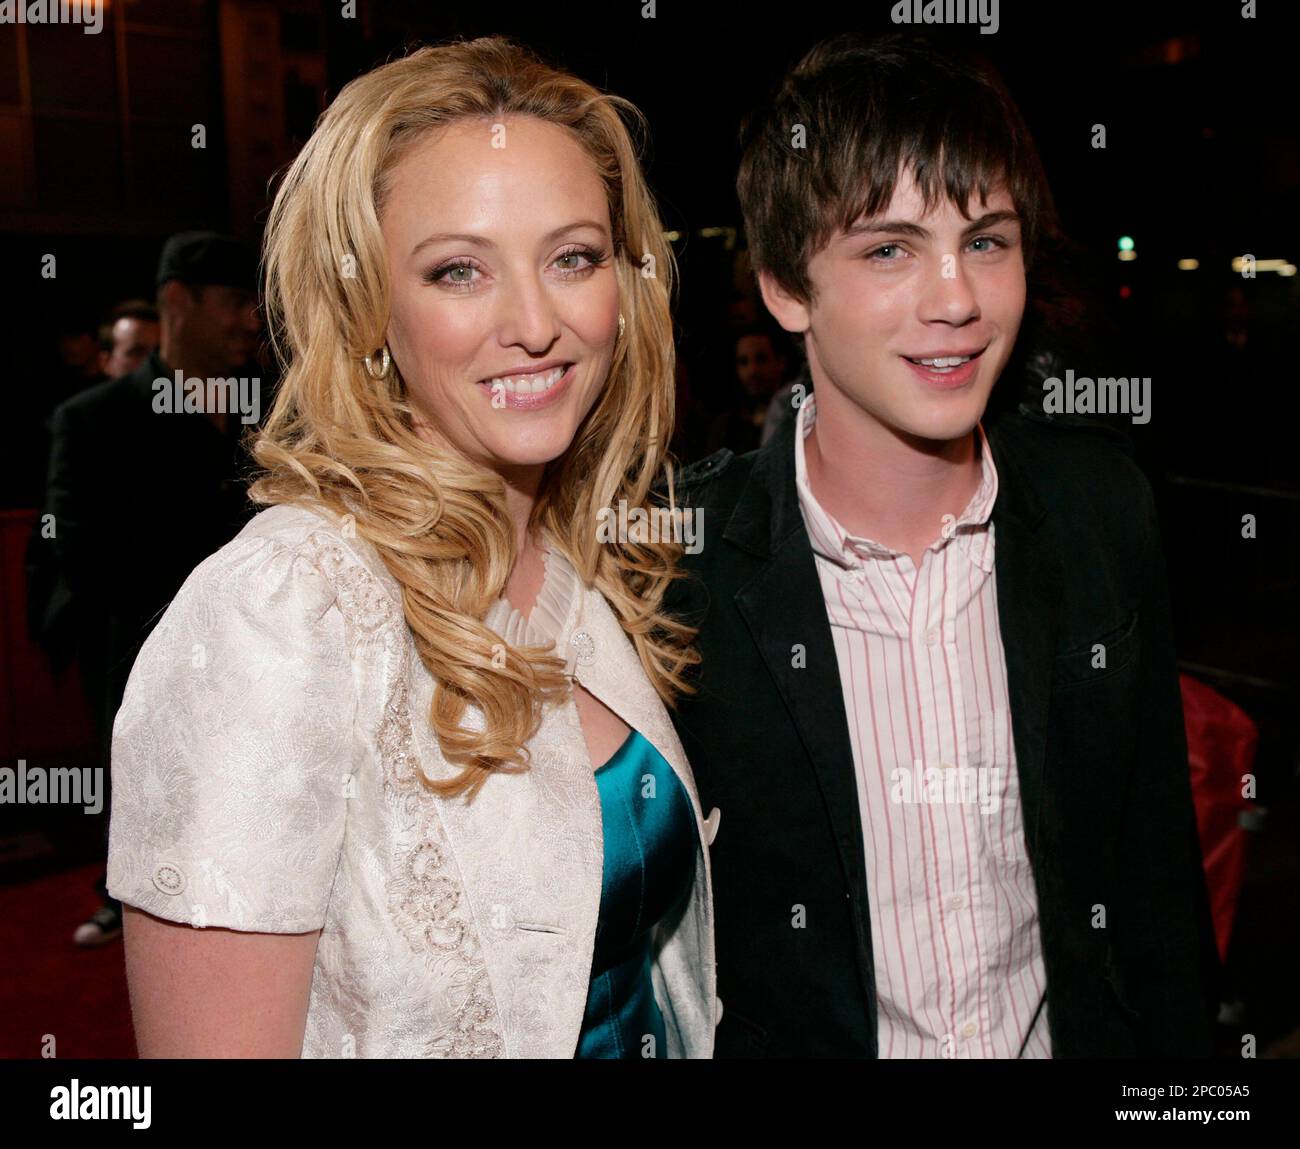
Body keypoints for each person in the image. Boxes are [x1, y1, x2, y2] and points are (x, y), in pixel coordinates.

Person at [107, 36, 718, 1059]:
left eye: (572, 257)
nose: (535, 323)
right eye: (457, 270)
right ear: (368, 307)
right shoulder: (281, 612)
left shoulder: (583, 569)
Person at [663, 32, 1219, 1058]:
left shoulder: (1100, 512)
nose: (955, 298)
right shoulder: (673, 570)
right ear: (787, 286)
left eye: (987, 241)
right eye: (888, 249)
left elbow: (1155, 899)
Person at [40, 232, 261, 948]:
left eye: (254, 304)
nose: (251, 321)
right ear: (178, 302)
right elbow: (87, 560)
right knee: (171, 904)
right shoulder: (94, 421)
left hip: (270, 688)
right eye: (233, 302)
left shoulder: (275, 409)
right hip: (154, 691)